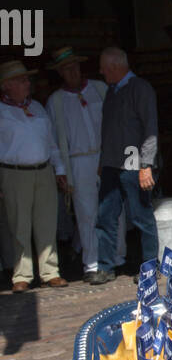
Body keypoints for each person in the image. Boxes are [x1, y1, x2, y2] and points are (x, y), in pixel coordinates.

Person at [46, 46, 119, 282]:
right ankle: (92, 264)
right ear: (60, 73)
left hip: (105, 155)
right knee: (86, 213)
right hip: (77, 161)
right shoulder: (55, 101)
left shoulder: (99, 89)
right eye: (66, 69)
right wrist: (61, 170)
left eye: (74, 66)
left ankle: (115, 258)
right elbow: (53, 141)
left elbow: (115, 122)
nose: (72, 72)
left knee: (112, 209)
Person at [92, 47, 159, 284]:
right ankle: (106, 267)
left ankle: (150, 268)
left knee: (141, 217)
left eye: (103, 67)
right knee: (105, 216)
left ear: (114, 67)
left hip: (134, 164)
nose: (100, 71)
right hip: (111, 165)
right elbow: (108, 131)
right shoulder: (112, 91)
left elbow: (150, 128)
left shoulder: (140, 89)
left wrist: (146, 165)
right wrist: (103, 161)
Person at [0, 59, 68, 290]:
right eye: (21, 80)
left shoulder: (37, 107)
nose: (27, 83)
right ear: (6, 85)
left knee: (47, 222)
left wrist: (59, 169)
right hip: (14, 173)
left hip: (43, 170)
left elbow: (51, 143)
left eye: (27, 79)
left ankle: (50, 271)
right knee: (19, 224)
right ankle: (22, 275)